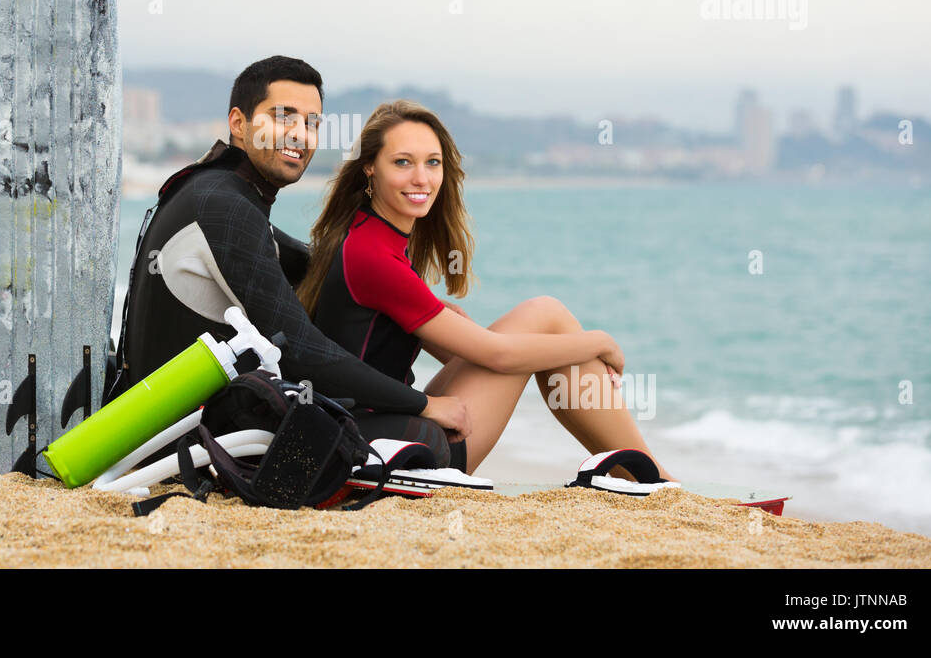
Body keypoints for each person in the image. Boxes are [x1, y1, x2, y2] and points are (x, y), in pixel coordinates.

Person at [109, 57, 471, 463]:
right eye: (284, 117)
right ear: (239, 123)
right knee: (428, 436)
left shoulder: (220, 190)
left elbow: (315, 265)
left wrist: (426, 312)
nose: (300, 134)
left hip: (189, 427)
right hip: (182, 441)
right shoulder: (225, 206)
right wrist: (423, 403)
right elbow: (301, 350)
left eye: (312, 122)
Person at [297, 99, 675, 480]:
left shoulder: (367, 235)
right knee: (547, 318)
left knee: (545, 324)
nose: (421, 178)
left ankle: (647, 477)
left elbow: (463, 352)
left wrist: (441, 319)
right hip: (385, 444)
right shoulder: (373, 254)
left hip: (380, 424)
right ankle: (652, 479)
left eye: (432, 162)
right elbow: (499, 356)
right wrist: (601, 343)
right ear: (369, 168)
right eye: (402, 162)